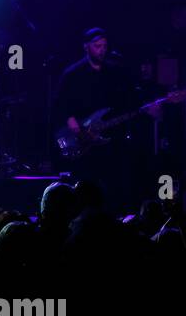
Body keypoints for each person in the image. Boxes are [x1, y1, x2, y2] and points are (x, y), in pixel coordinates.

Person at [55, 27, 159, 212]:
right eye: (97, 46)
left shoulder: (115, 72)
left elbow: (128, 101)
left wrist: (146, 108)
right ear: (86, 47)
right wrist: (79, 131)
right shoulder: (72, 74)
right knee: (85, 184)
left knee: (114, 183)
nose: (102, 50)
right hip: (84, 141)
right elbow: (61, 106)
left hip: (111, 139)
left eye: (104, 46)